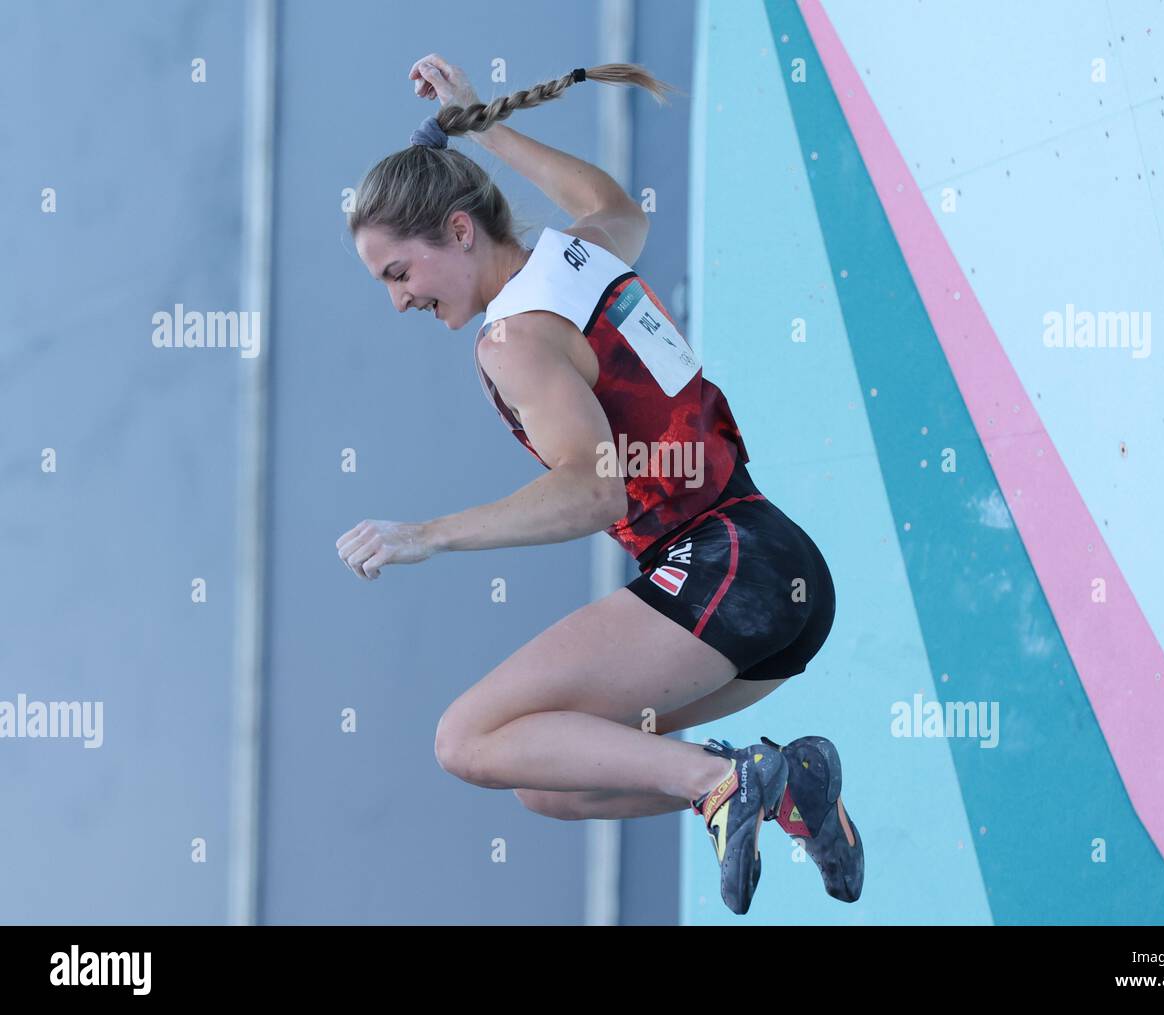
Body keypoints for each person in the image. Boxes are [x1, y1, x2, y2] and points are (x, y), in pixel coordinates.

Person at [335, 54, 861, 914]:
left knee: (465, 738)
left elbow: (594, 490)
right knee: (550, 779)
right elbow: (619, 205)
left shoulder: (513, 342)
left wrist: (423, 535)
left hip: (721, 569)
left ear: (460, 232)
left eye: (400, 274)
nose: (399, 302)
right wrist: (485, 124)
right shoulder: (578, 258)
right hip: (778, 579)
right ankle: (785, 785)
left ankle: (721, 783)